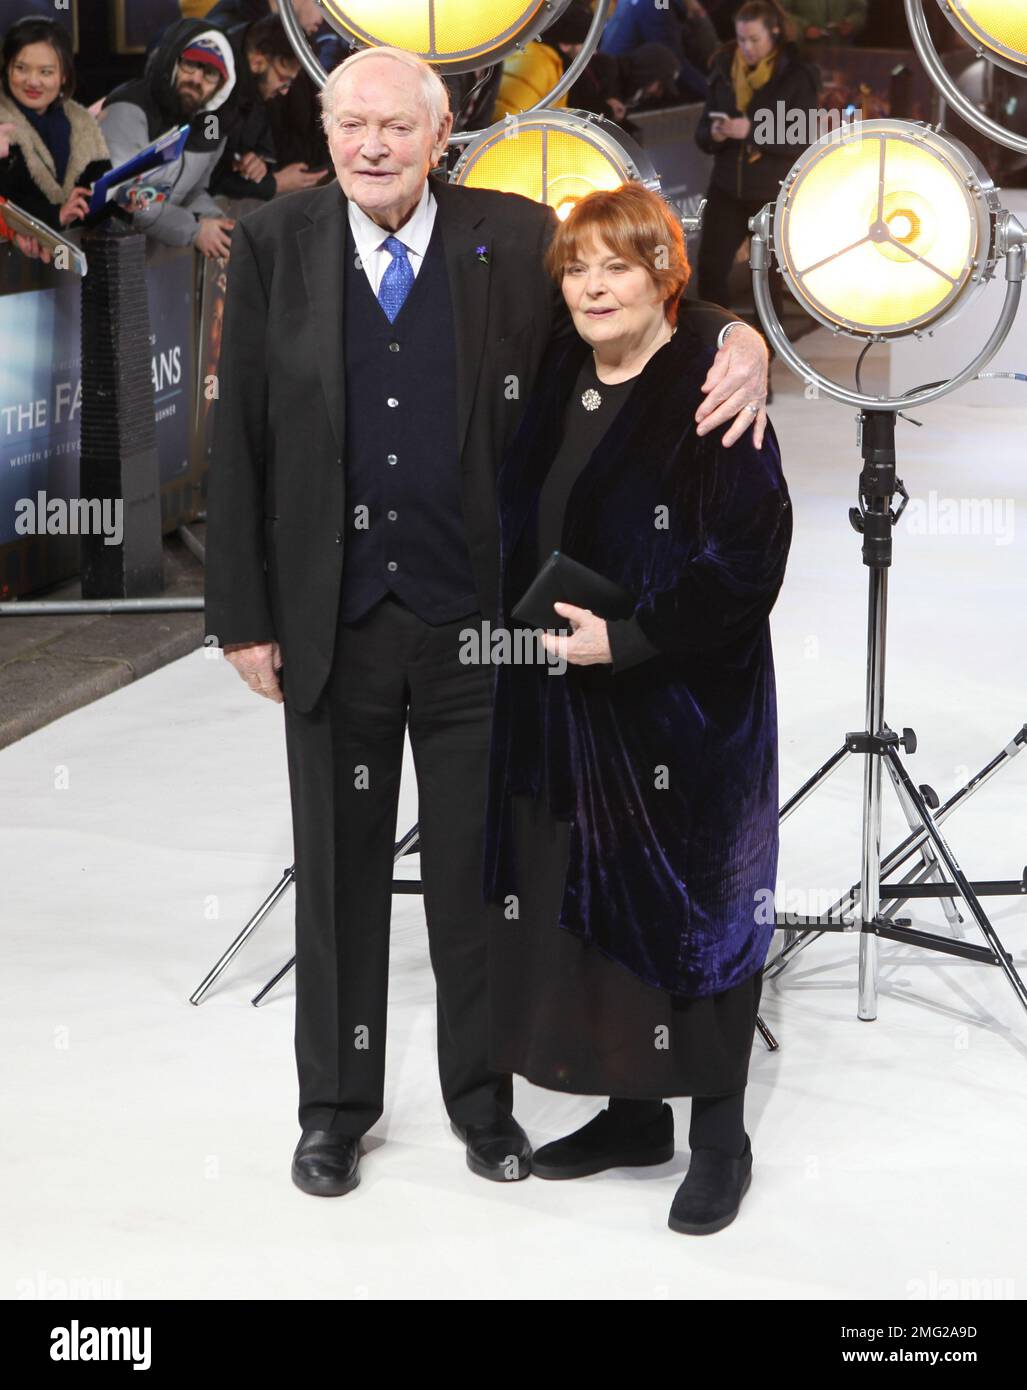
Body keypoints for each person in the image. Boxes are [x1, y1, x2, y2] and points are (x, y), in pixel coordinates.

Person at [203, 45, 770, 1201]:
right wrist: (241, 615)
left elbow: (629, 293)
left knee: (477, 877)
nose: (370, 147)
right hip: (333, 622)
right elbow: (240, 440)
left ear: (439, 132)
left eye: (394, 129)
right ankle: (335, 1111)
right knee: (339, 873)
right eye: (351, 125)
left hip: (479, 631)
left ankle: (481, 1100)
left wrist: (735, 337)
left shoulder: (509, 238)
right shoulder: (272, 246)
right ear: (327, 129)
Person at [484, 181, 791, 1235]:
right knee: (597, 904)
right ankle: (630, 1114)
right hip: (572, 709)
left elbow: (748, 560)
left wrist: (634, 637)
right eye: (578, 267)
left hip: (684, 710)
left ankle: (719, 1138)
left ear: (665, 275)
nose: (594, 285)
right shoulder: (566, 364)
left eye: (618, 265)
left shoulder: (711, 383)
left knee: (697, 914)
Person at [695, 0, 819, 320]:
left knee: (766, 278)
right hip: (726, 187)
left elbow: (802, 136)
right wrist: (715, 133)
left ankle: (767, 348)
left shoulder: (797, 73)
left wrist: (752, 131)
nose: (747, 48)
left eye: (754, 40)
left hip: (770, 192)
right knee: (710, 269)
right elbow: (701, 134)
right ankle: (717, 341)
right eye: (741, 40)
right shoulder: (723, 66)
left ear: (774, 34)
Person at [99, 19, 237, 259]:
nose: (196, 79)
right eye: (191, 65)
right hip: (102, 254)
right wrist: (195, 230)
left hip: (152, 261)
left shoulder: (210, 125)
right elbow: (126, 195)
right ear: (173, 61)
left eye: (210, 74)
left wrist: (215, 222)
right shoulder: (130, 106)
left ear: (221, 86)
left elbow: (193, 192)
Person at [0, 15, 110, 233]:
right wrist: (54, 216)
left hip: (70, 259)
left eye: (46, 72)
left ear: (64, 77)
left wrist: (123, 199)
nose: (32, 81)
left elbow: (98, 190)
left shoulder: (81, 123)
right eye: (21, 68)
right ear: (7, 69)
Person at [208, 15, 326, 202]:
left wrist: (260, 162)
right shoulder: (211, 105)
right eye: (283, 80)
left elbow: (263, 146)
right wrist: (275, 184)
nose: (285, 91)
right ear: (257, 62)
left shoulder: (256, 93)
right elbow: (207, 171)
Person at [783, 0, 867, 48]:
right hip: (805, 53)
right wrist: (803, 28)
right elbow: (782, 12)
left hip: (842, 52)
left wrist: (852, 23)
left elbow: (860, 11)